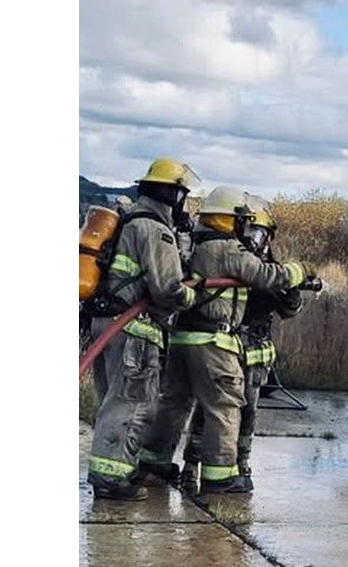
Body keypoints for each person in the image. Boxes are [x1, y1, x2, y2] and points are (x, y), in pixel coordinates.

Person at [138, 187, 317, 494]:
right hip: (213, 341)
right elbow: (268, 276)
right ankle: (219, 476)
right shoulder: (228, 249)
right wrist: (300, 271)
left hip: (181, 339)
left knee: (174, 404)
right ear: (228, 220)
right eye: (242, 221)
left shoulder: (191, 242)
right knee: (224, 408)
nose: (245, 229)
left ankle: (154, 462)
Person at [87, 158, 200, 501]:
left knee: (114, 401)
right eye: (182, 195)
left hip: (108, 324)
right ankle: (111, 481)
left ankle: (117, 469)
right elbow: (168, 289)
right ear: (172, 194)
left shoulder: (130, 219)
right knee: (131, 404)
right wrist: (193, 292)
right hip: (133, 330)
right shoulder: (155, 230)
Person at [179, 204, 305, 492]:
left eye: (260, 234)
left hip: (256, 353)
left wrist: (292, 293)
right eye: (251, 231)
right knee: (210, 412)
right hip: (226, 348)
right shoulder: (234, 259)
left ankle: (240, 465)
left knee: (247, 415)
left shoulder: (267, 268)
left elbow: (290, 308)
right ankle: (192, 466)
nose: (255, 239)